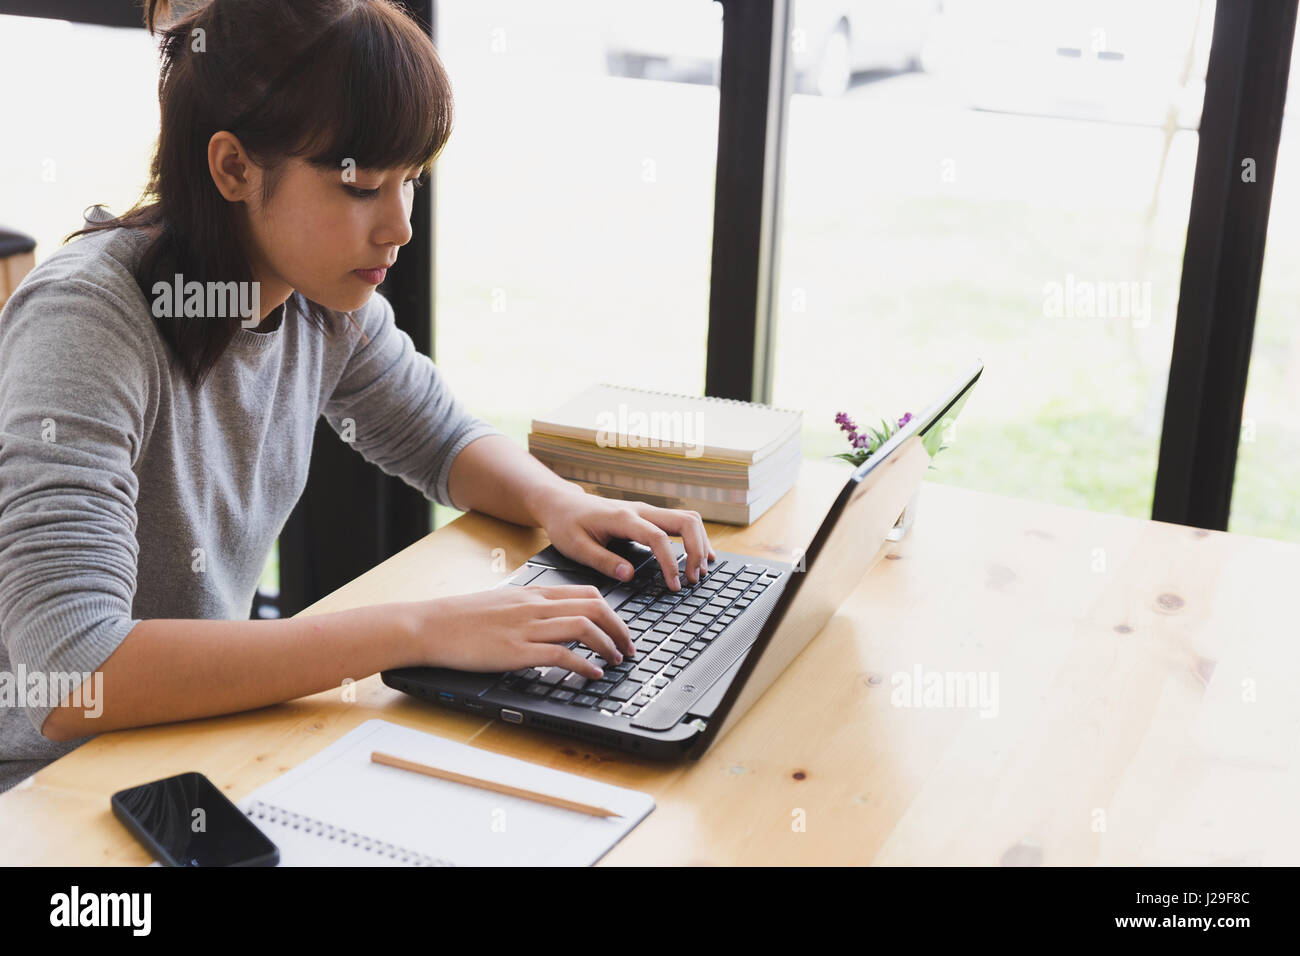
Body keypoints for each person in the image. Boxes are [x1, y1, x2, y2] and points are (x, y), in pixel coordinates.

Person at [0, 0, 713, 794]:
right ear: (233, 167)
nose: (399, 227)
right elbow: (71, 675)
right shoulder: (87, 322)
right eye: (363, 185)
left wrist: (559, 502)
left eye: (411, 181)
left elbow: (440, 438)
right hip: (43, 792)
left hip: (183, 750)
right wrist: (418, 629)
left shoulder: (315, 300)